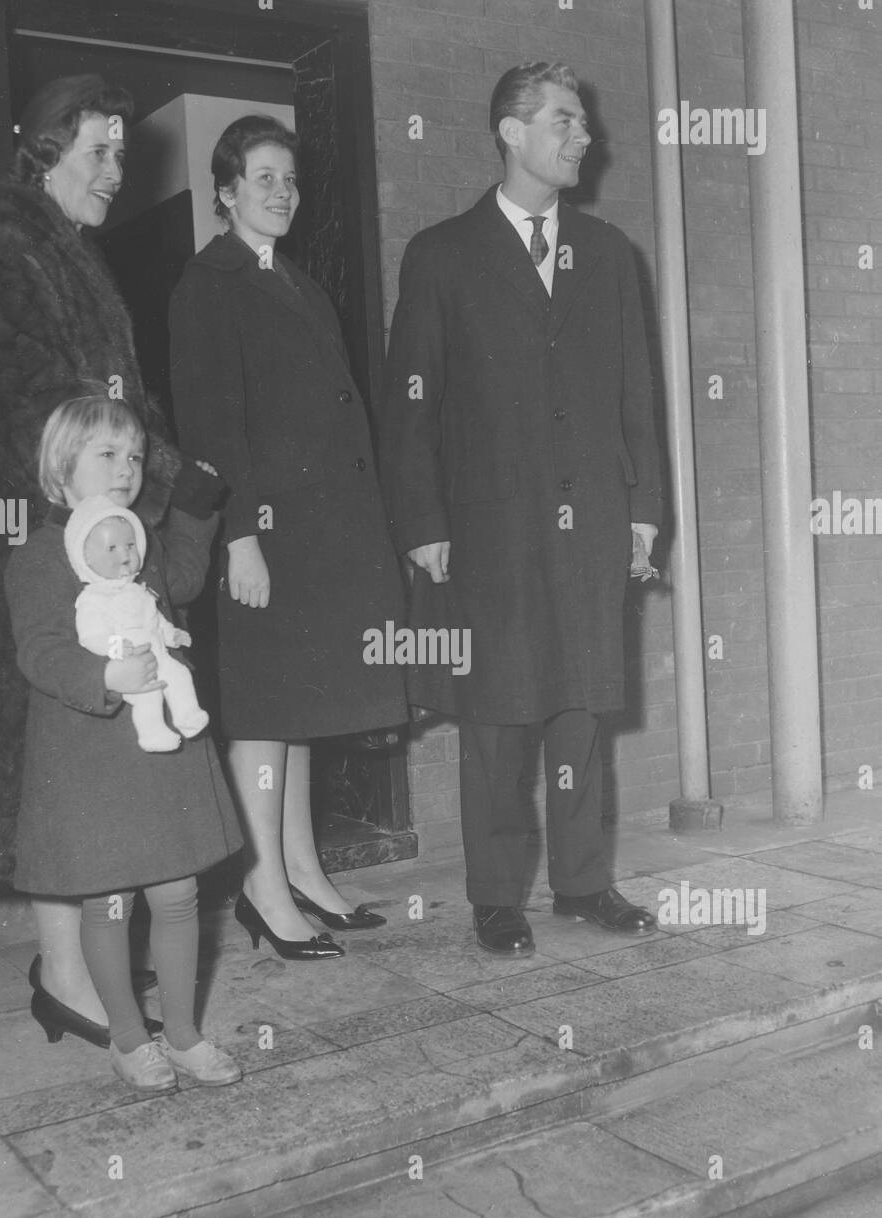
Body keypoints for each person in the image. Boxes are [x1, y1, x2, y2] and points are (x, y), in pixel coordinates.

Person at [379, 62, 665, 957]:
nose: (584, 138)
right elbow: (410, 405)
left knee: (580, 709)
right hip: (488, 531)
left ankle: (583, 883)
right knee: (498, 714)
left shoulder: (611, 254)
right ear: (510, 131)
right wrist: (423, 522)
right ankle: (496, 896)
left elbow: (637, 400)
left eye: (581, 124)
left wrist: (643, 511)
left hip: (591, 522)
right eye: (565, 122)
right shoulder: (440, 253)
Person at [0, 74, 185, 1041]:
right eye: (99, 151)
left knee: (87, 756)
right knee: (48, 757)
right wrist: (160, 471)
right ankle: (64, 973)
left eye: (124, 153)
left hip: (83, 538)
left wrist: (161, 473)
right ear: (44, 150)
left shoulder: (71, 255)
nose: (117, 173)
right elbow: (40, 406)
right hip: (27, 550)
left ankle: (86, 964)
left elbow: (106, 406)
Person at [169, 115, 408, 962]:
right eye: (262, 178)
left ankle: (303, 866)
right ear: (225, 190)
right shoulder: (209, 283)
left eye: (290, 181)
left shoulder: (300, 284)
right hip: (262, 533)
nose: (280, 193)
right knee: (266, 712)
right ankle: (261, 887)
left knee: (303, 706)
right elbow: (210, 427)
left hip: (319, 535)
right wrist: (238, 539)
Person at [5, 394, 243, 1091]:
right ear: (61, 464)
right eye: (107, 454)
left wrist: (196, 510)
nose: (126, 468)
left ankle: (187, 1034)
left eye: (134, 456)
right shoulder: (41, 552)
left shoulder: (136, 538)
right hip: (89, 757)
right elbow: (39, 650)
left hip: (158, 750)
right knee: (109, 902)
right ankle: (129, 1038)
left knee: (176, 896)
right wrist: (102, 673)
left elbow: (185, 582)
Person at [66, 495, 210, 752]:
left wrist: (171, 635)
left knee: (180, 675)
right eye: (112, 549)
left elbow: (155, 620)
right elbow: (90, 635)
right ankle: (152, 734)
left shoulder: (139, 592)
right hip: (129, 665)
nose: (125, 554)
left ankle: (187, 716)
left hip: (159, 656)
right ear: (86, 558)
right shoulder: (93, 598)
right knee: (149, 698)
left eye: (130, 545)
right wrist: (115, 647)